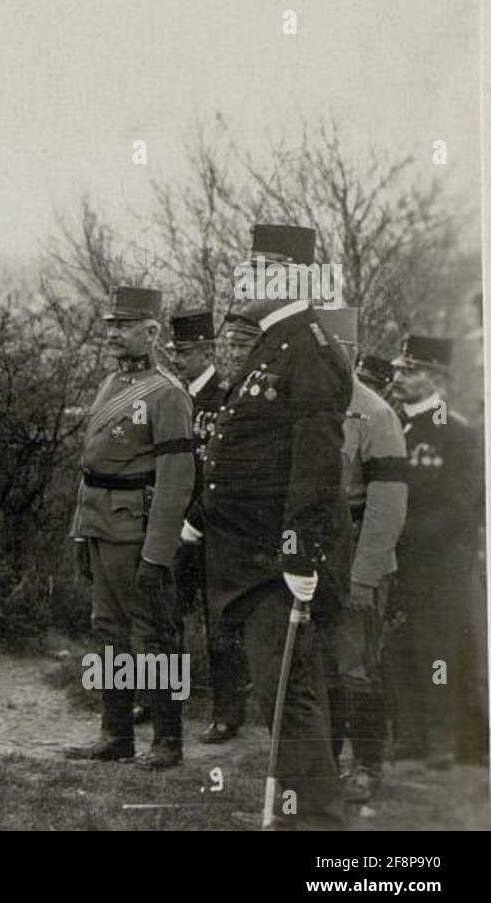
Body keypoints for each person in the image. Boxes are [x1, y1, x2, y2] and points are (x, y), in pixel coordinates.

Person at [184, 224, 351, 828]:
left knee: (291, 691)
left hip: (274, 558)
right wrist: (202, 519)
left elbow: (315, 465)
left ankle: (323, 822)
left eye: (258, 267)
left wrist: (300, 553)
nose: (243, 277)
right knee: (276, 690)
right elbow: (241, 445)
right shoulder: (268, 341)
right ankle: (298, 809)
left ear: (292, 276)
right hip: (243, 553)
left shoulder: (310, 349)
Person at [65, 286, 195, 770]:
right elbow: (91, 467)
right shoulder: (110, 385)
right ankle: (116, 734)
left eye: (124, 326)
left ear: (153, 331)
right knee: (108, 633)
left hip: (137, 531)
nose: (113, 334)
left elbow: (177, 480)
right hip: (101, 524)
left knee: (155, 635)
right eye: (110, 326)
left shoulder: (167, 394)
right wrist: (82, 530)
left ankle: (167, 741)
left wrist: (158, 552)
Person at [313, 307, 407, 803]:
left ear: (348, 353)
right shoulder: (306, 406)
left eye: (330, 350)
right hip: (315, 554)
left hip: (357, 552)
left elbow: (388, 507)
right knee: (319, 666)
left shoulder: (376, 414)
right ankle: (323, 764)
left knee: (355, 667)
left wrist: (365, 575)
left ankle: (367, 765)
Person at [386, 334, 486, 769]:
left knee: (439, 651)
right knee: (398, 647)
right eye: (399, 369)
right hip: (397, 562)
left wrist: (400, 533)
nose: (399, 377)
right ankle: (409, 734)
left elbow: (461, 507)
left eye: (411, 371)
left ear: (437, 378)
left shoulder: (457, 432)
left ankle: (443, 737)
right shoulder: (391, 425)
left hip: (441, 563)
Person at [168, 309, 248, 744]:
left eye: (183, 352)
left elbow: (227, 469)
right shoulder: (173, 396)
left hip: (215, 526)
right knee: (167, 614)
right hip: (173, 522)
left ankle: (227, 710)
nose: (176, 359)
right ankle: (166, 698)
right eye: (173, 351)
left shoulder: (227, 395)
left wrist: (197, 518)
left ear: (206, 351)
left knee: (221, 621)